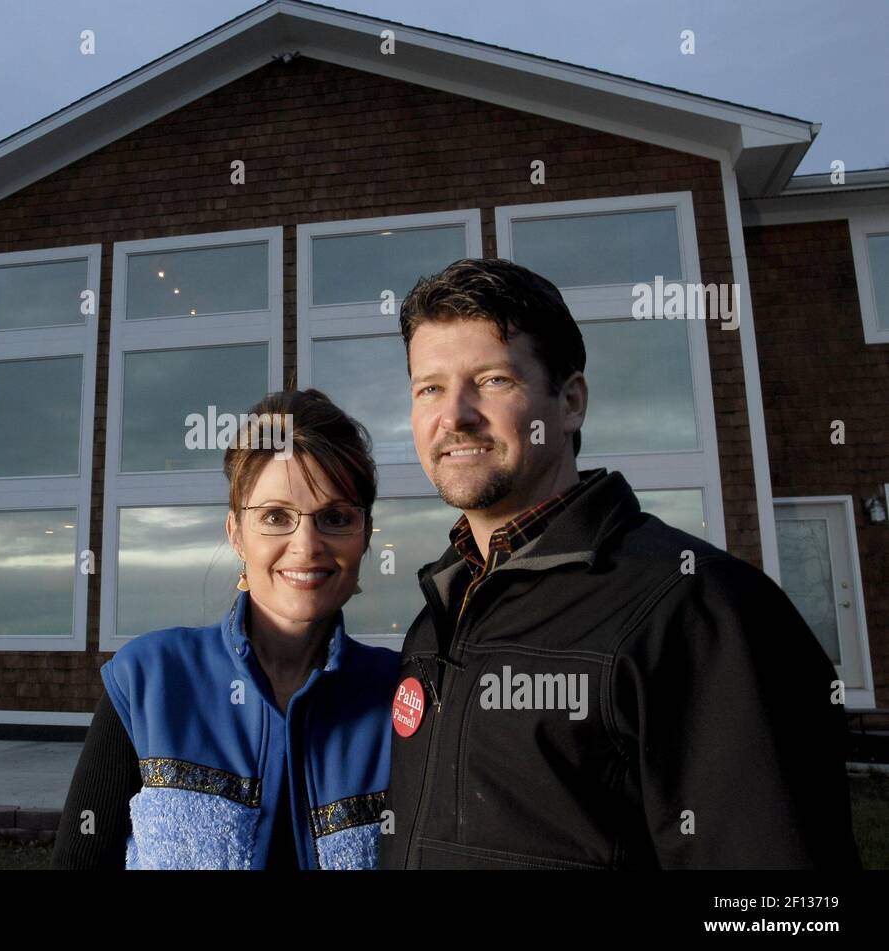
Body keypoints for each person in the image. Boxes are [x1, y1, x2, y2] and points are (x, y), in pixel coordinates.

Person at [379, 257, 861, 869]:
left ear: (571, 401)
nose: (455, 415)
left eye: (493, 380)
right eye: (430, 388)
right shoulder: (440, 612)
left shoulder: (699, 608)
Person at [53, 388, 399, 869]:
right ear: (236, 532)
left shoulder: (403, 695)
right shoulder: (149, 679)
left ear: (364, 536)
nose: (307, 545)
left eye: (335, 518)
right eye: (276, 517)